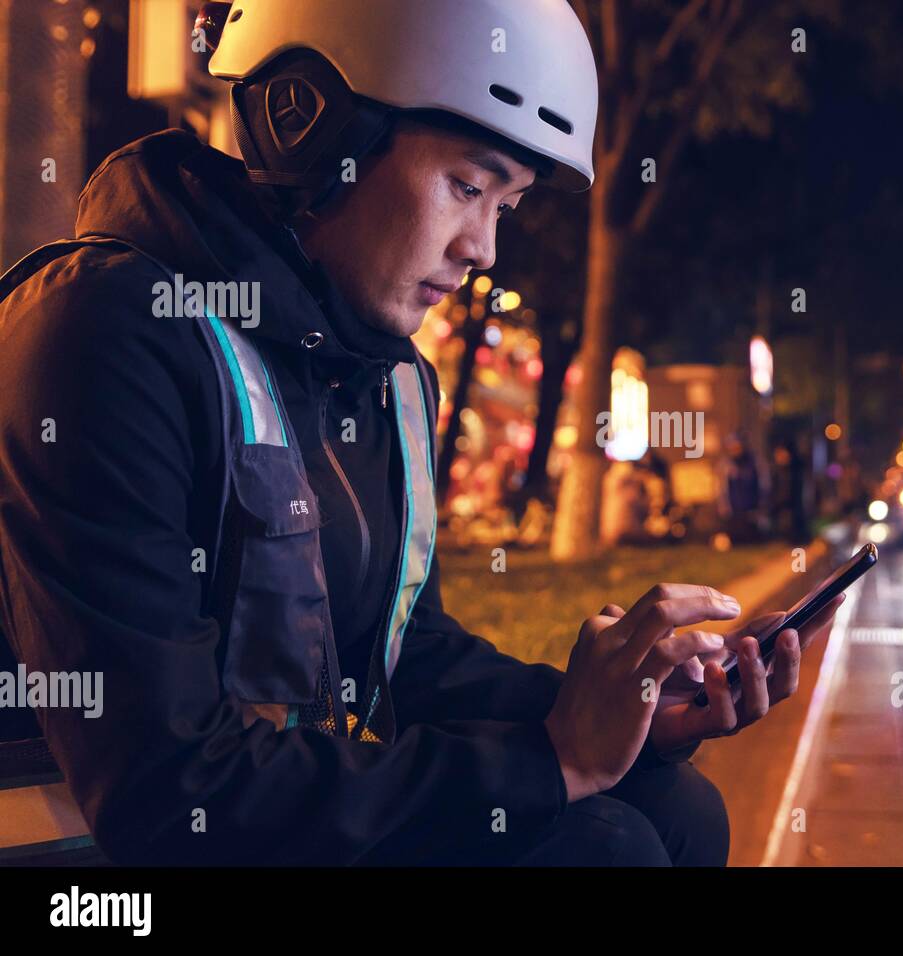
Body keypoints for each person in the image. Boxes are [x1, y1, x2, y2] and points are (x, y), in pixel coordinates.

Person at [0, 0, 841, 866]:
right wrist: (549, 761)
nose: (483, 248)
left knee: (672, 804)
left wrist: (630, 716)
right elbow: (167, 794)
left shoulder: (387, 376)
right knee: (601, 848)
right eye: (468, 186)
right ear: (311, 128)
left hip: (266, 809)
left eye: (506, 208)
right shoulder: (105, 331)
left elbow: (404, 659)